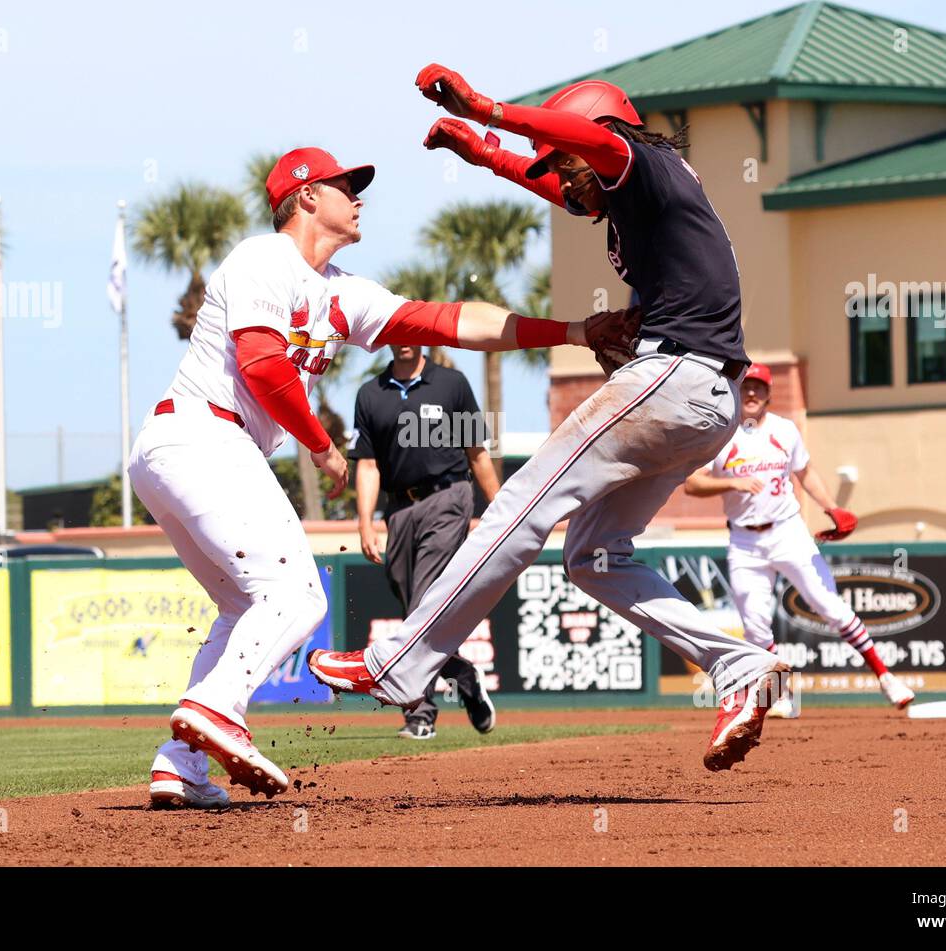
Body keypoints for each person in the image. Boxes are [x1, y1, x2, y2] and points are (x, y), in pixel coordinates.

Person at [309, 66, 792, 773]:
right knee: (593, 557)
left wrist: (489, 110)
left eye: (569, 163)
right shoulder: (642, 198)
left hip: (671, 379)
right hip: (704, 399)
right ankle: (741, 667)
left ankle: (400, 662)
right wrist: (486, 155)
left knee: (518, 504)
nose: (564, 180)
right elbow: (564, 184)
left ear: (603, 141)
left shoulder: (642, 161)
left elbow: (586, 141)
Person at [133, 145, 611, 808]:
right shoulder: (264, 258)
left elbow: (449, 321)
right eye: (344, 186)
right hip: (200, 435)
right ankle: (216, 710)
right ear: (305, 197)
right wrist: (325, 448)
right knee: (297, 598)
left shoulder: (343, 292)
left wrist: (573, 330)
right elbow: (265, 365)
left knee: (245, 605)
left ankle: (180, 764)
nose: (358, 198)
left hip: (197, 450)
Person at [683, 363, 915, 717]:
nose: (751, 394)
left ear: (768, 394)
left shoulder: (784, 430)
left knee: (829, 606)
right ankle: (783, 696)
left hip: (787, 530)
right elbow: (692, 483)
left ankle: (886, 677)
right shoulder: (723, 435)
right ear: (736, 390)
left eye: (758, 388)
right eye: (746, 387)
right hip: (745, 541)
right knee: (755, 627)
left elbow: (805, 472)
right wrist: (732, 483)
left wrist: (831, 508)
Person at [352, 344, 500, 739]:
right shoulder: (371, 394)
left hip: (448, 498)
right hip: (399, 510)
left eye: (411, 331)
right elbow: (367, 464)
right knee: (412, 610)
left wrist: (504, 512)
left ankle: (422, 714)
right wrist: (365, 522)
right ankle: (463, 674)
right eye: (396, 331)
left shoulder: (451, 384)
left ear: (421, 337)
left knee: (421, 608)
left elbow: (477, 454)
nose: (404, 338)